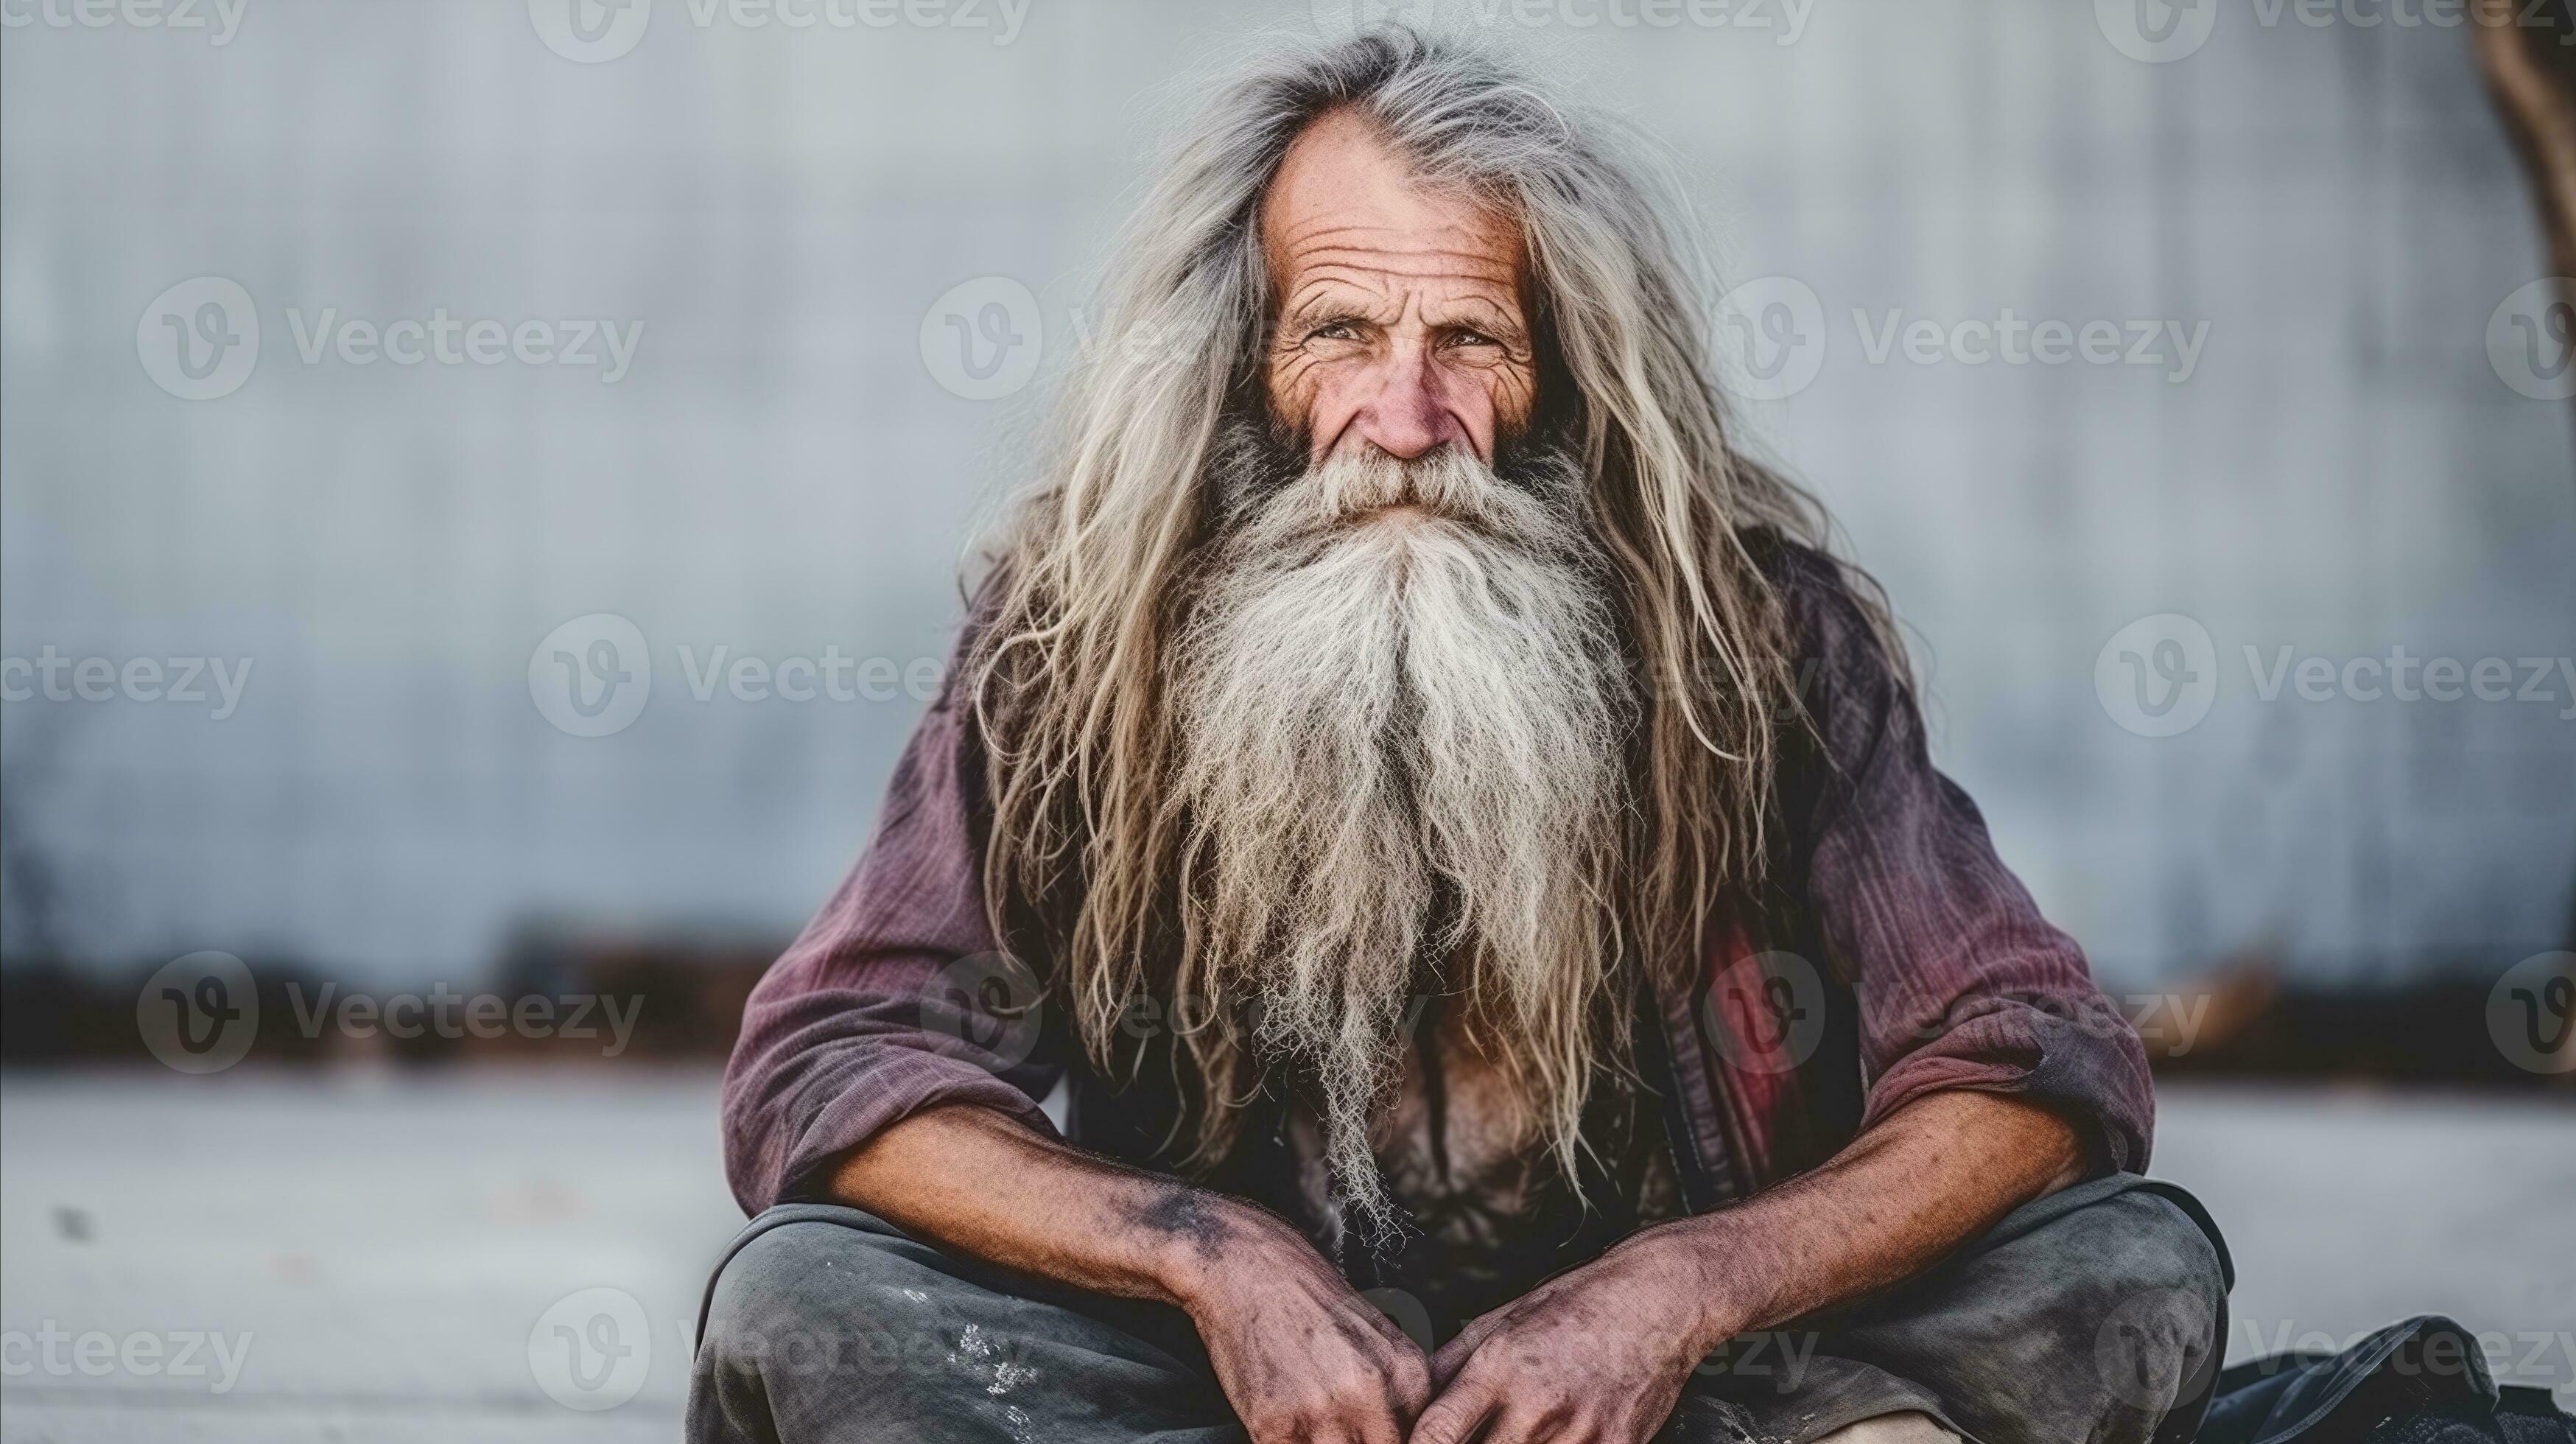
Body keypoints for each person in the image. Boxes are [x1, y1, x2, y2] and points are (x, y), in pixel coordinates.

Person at [692, 30, 2228, 1444]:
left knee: (2126, 1264)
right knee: (803, 1299)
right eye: (1344, 331)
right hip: (1236, 1394)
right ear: (1245, 366)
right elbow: (835, 1060)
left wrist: (1682, 1288)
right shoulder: (1073, 647)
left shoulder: (1759, 639)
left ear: (1564, 370)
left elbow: (2032, 1064)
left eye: (1474, 339)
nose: (1407, 418)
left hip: (1684, 1383)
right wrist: (1211, 1264)